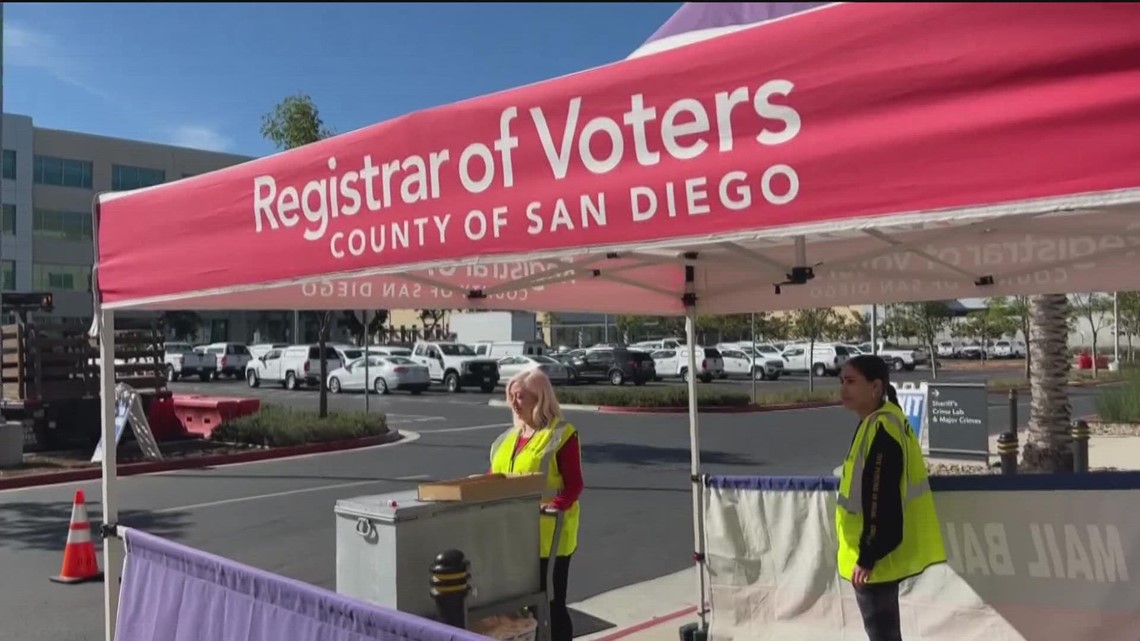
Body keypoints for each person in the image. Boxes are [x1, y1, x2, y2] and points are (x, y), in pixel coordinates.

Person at [836, 355, 946, 641]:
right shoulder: (881, 420)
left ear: (875, 387)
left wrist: (868, 556)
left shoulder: (882, 428)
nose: (843, 388)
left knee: (883, 635)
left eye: (850, 381)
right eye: (841, 381)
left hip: (874, 562)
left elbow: (880, 497)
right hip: (876, 558)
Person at [488, 368, 582, 641]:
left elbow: (574, 485)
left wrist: (554, 506)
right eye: (511, 397)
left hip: (550, 539)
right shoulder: (506, 439)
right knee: (522, 608)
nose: (514, 403)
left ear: (539, 398)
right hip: (513, 536)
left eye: (520, 396)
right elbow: (493, 477)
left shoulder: (560, 434)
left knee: (551, 605)